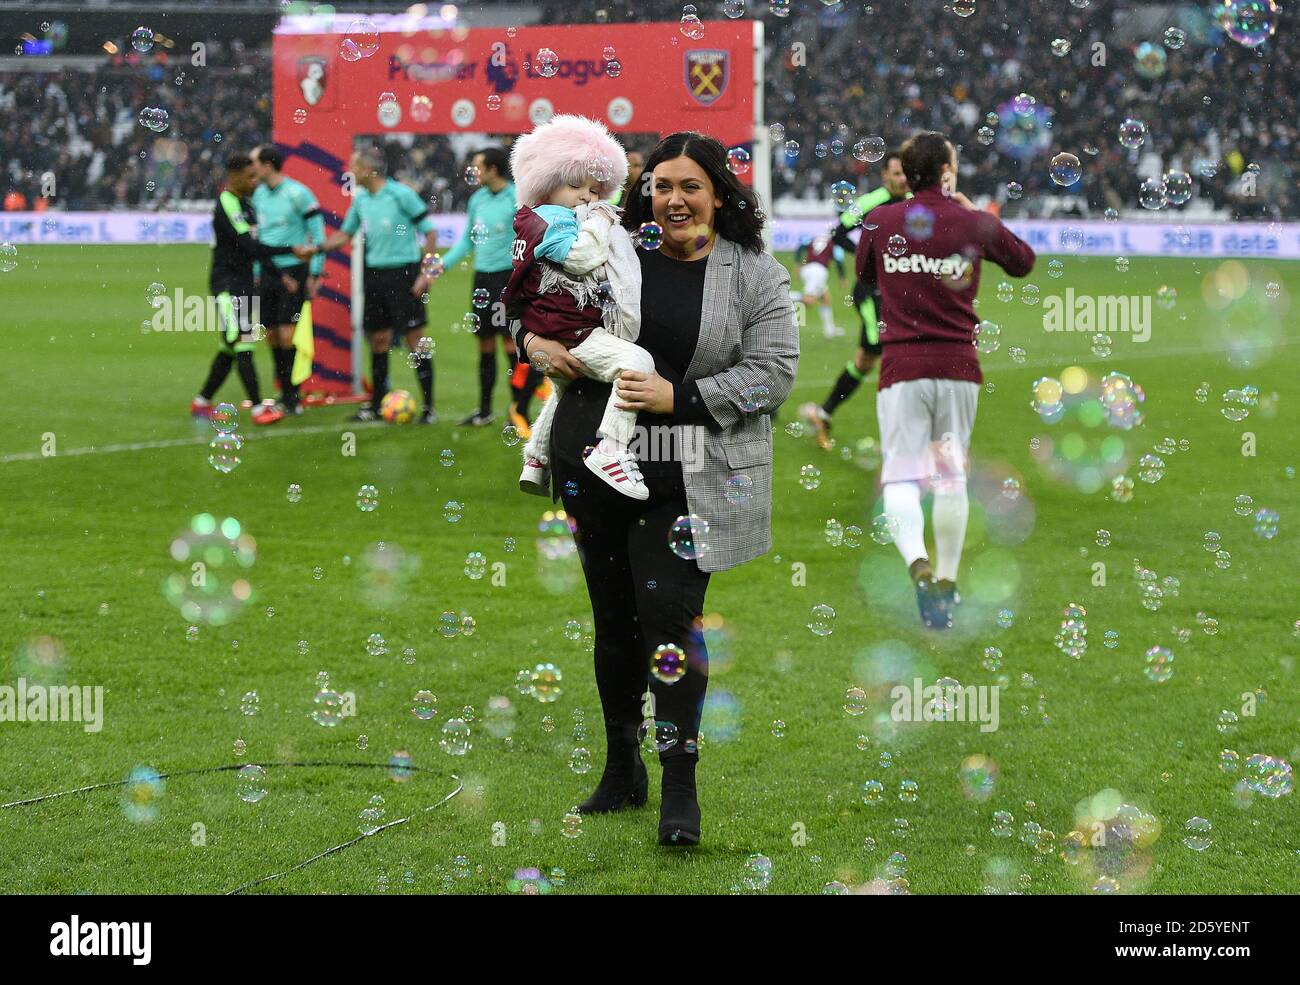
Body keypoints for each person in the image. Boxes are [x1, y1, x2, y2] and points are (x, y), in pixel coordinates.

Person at [518, 131, 798, 846]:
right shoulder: (613, 244)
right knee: (613, 626)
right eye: (661, 186)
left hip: (689, 474)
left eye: (689, 186)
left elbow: (774, 371)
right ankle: (622, 769)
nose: (673, 199)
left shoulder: (754, 272)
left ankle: (680, 786)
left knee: (668, 622)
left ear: (719, 195)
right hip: (597, 460)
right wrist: (531, 342)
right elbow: (525, 298)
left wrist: (683, 397)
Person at [855, 131, 1034, 629]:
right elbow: (1023, 263)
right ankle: (949, 583)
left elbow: (865, 275)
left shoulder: (882, 219)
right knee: (951, 474)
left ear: (906, 174)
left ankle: (919, 566)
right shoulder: (971, 221)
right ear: (947, 171)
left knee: (901, 474)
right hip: (959, 364)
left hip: (902, 366)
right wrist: (976, 213)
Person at [503, 115, 647, 499]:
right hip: (570, 328)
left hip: (554, 326)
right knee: (636, 364)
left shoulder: (535, 218)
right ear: (547, 183)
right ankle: (613, 449)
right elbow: (581, 258)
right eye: (575, 185)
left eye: (596, 190)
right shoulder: (551, 220)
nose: (587, 196)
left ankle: (535, 458)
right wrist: (600, 221)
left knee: (562, 391)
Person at [191, 152, 314, 424]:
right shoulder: (227, 203)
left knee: (229, 346)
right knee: (244, 340)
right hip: (226, 285)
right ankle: (259, 408)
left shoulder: (247, 205)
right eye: (250, 177)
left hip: (244, 284)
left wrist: (280, 275)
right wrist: (289, 250)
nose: (256, 181)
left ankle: (201, 401)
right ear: (234, 177)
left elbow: (254, 252)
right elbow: (249, 245)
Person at [318, 147, 438, 422]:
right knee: (379, 340)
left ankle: (429, 408)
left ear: (368, 169)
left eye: (354, 166)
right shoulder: (361, 201)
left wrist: (425, 272)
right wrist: (317, 249)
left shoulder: (400, 194)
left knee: (414, 339)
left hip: (404, 274)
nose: (351, 171)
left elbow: (429, 230)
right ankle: (375, 406)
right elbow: (345, 235)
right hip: (374, 275)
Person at [800, 150, 908, 449]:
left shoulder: (915, 200)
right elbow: (839, 232)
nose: (902, 179)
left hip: (902, 289)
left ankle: (823, 413)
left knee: (864, 360)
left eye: (906, 173)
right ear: (885, 175)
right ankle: (901, 434)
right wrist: (867, 255)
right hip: (872, 289)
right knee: (880, 345)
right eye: (896, 173)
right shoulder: (870, 202)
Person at [438, 146, 545, 431]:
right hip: (481, 280)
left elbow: (531, 238)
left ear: (492, 170)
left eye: (478, 167)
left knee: (511, 345)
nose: (473, 172)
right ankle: (484, 410)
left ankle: (516, 411)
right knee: (484, 344)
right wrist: (441, 265)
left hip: (508, 279)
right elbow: (466, 242)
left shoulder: (516, 198)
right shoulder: (477, 200)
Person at [249, 144, 325, 415]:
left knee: (287, 333)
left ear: (268, 165)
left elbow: (317, 235)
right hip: (267, 271)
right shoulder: (257, 195)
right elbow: (256, 238)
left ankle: (292, 396)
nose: (251, 168)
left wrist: (315, 272)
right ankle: (284, 391)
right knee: (271, 334)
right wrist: (257, 274)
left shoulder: (298, 193)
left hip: (294, 270)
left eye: (254, 162)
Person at [794, 229, 847, 340]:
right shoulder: (833, 244)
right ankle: (784, 295)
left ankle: (830, 331)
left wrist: (798, 264)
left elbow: (800, 248)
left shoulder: (814, 239)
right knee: (809, 301)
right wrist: (842, 277)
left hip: (808, 269)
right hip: (818, 272)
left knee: (825, 299)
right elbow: (839, 260)